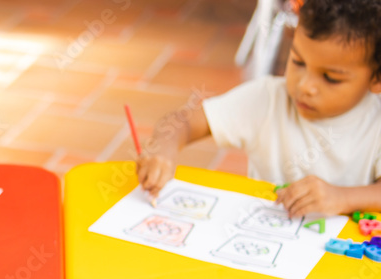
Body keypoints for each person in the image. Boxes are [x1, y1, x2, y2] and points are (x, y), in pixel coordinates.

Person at [137, 0, 381, 218]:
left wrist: (342, 198)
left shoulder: (376, 123)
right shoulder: (267, 99)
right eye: (297, 62)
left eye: (330, 78)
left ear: (376, 79)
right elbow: (184, 120)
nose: (305, 86)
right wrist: (164, 147)